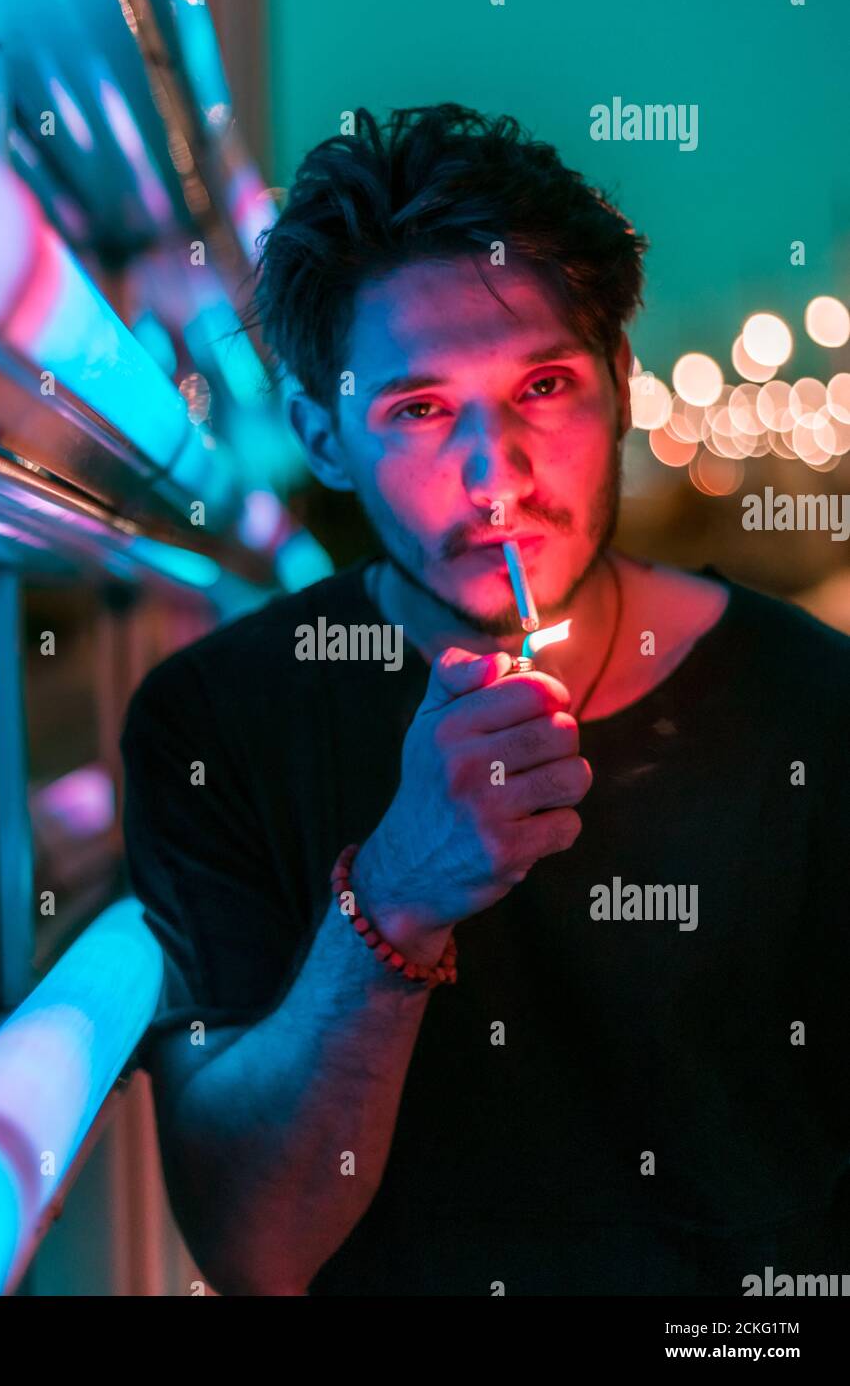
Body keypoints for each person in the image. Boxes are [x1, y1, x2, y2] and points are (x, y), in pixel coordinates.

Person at [119, 104, 850, 1296]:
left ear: (619, 384)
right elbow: (255, 1247)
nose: (496, 472)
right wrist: (402, 893)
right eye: (417, 407)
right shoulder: (214, 723)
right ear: (326, 436)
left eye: (545, 383)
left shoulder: (814, 704)